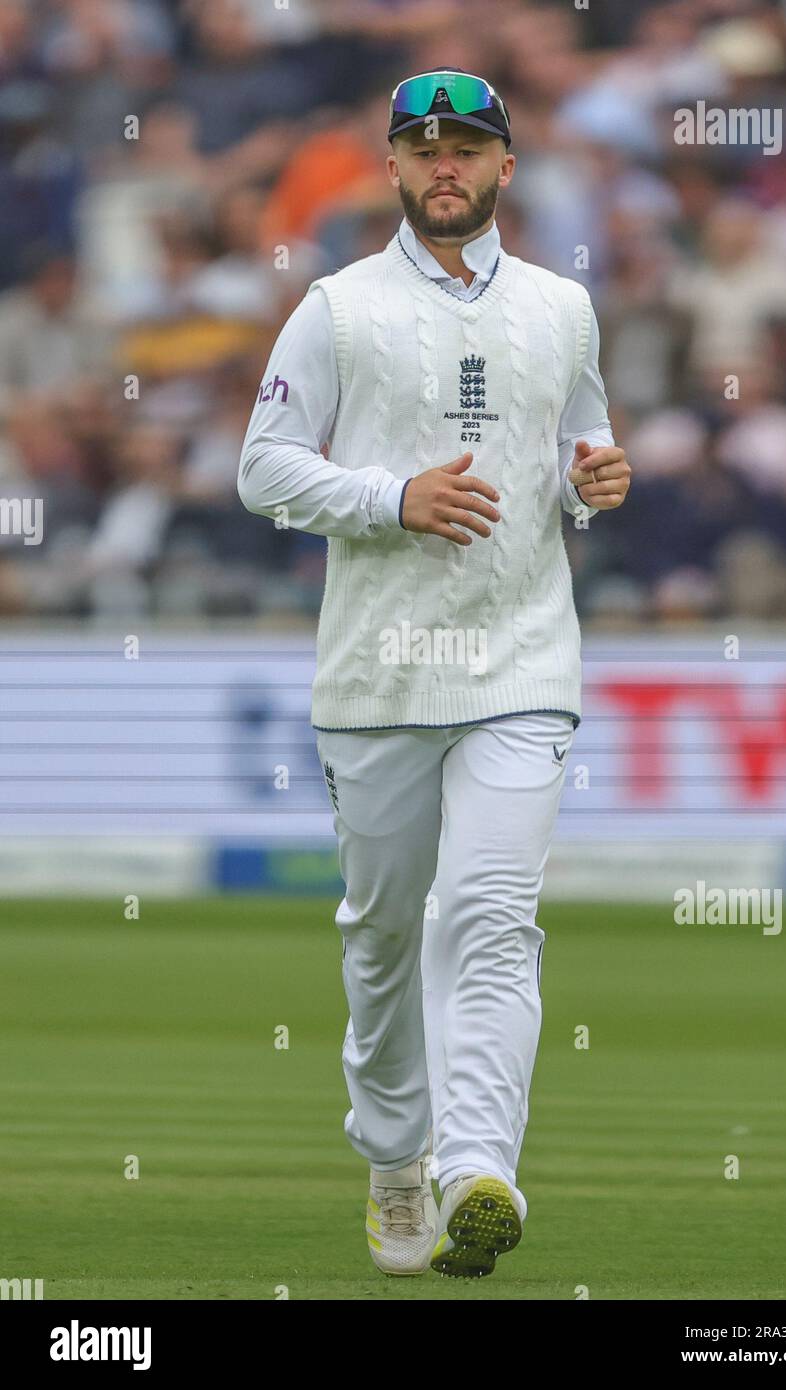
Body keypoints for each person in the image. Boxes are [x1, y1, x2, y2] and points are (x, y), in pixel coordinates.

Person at [237, 67, 631, 1279]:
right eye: (421, 148)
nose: (443, 166)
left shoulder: (564, 308)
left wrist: (590, 480)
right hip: (380, 672)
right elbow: (263, 469)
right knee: (381, 935)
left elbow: (577, 438)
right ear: (393, 168)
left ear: (505, 166)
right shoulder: (336, 309)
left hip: (521, 660)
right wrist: (391, 500)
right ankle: (396, 1155)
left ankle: (477, 1170)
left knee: (492, 915)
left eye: (466, 147)